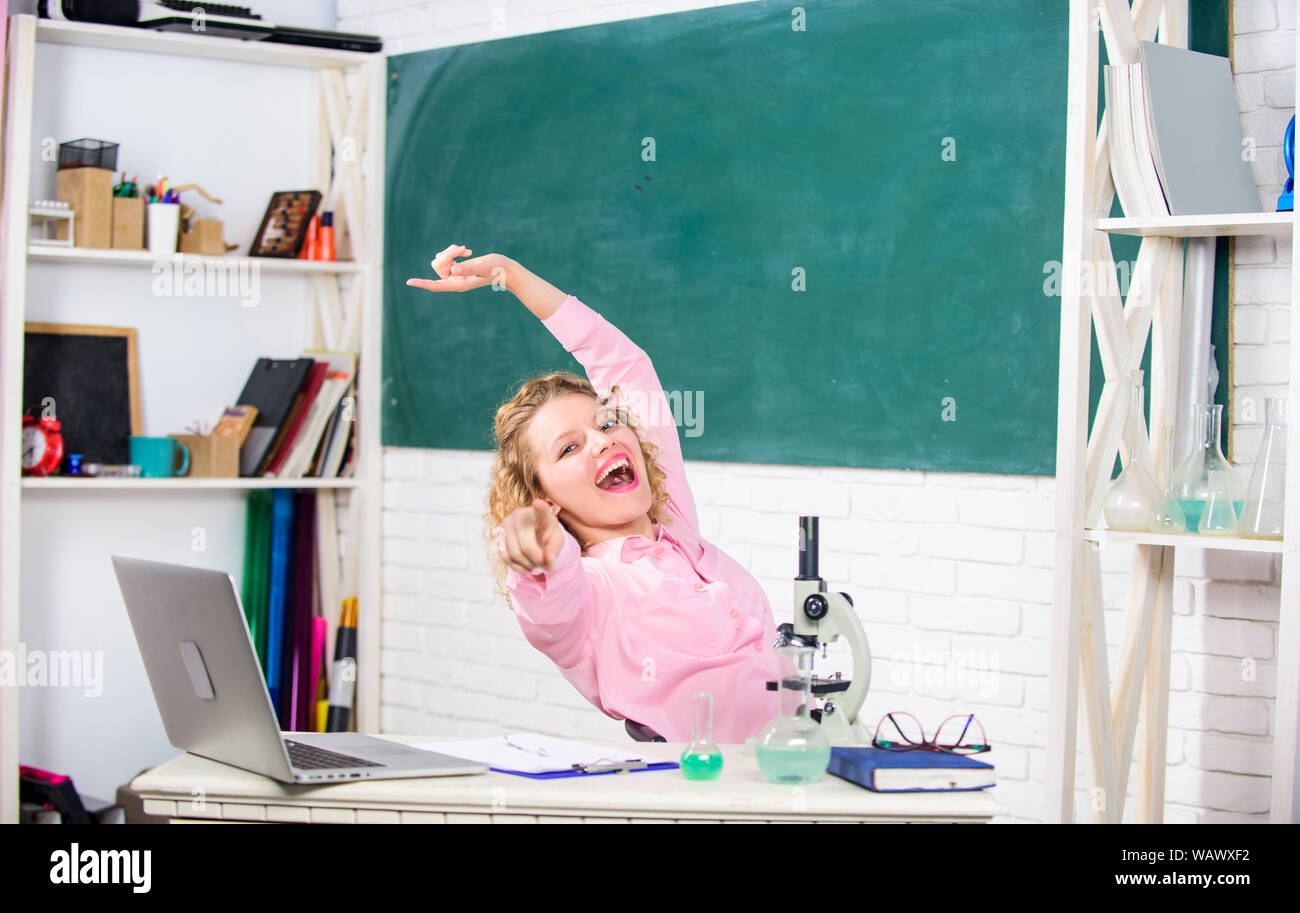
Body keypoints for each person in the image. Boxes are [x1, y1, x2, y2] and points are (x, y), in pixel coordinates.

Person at [407, 245, 794, 743]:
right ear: (545, 501)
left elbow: (626, 367)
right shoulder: (589, 592)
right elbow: (550, 593)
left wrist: (514, 275)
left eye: (607, 422)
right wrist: (536, 549)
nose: (602, 439)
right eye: (569, 448)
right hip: (715, 800)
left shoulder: (671, 521)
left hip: (811, 767)